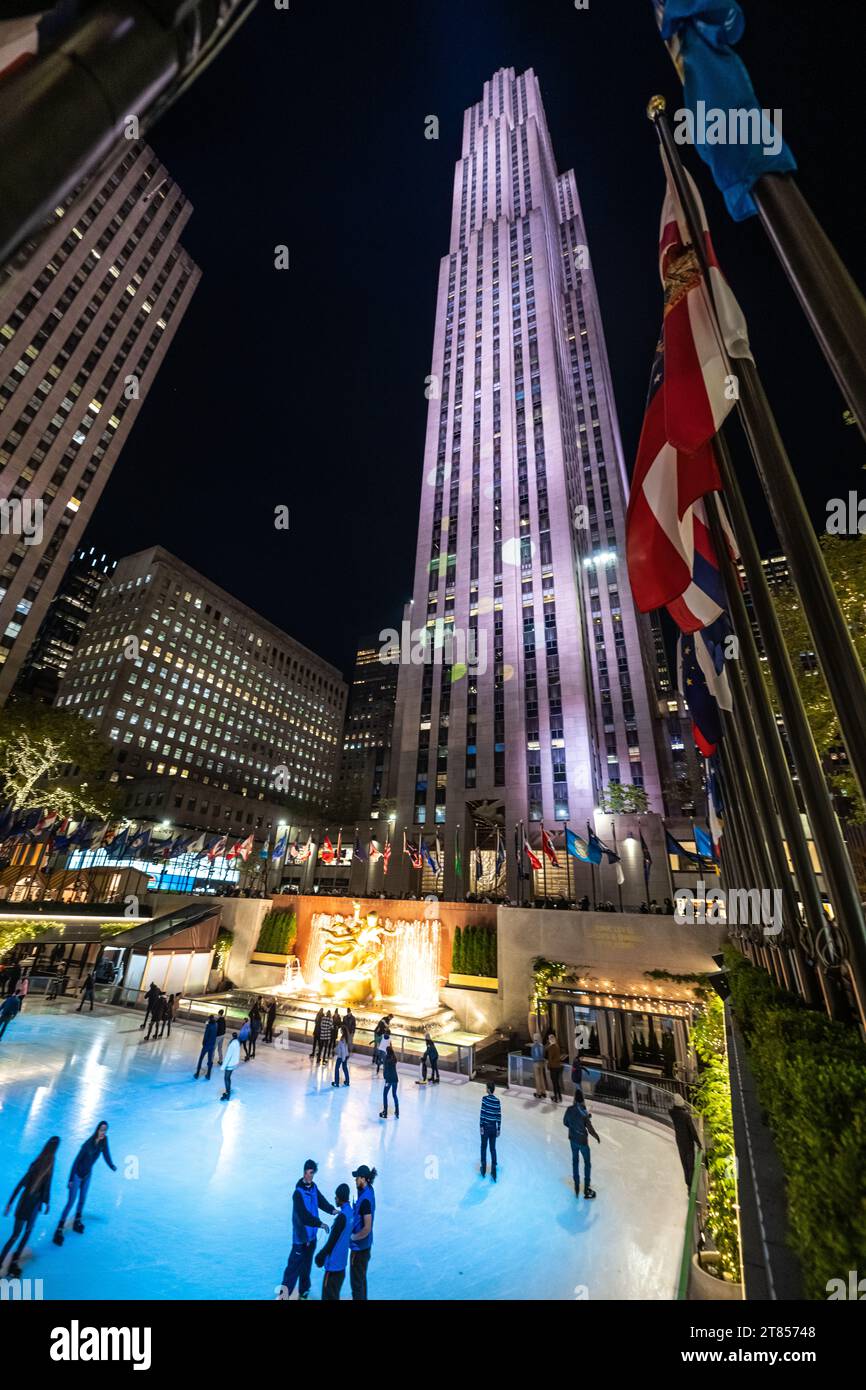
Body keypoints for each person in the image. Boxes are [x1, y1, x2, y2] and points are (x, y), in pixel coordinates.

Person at [1, 1136, 59, 1276]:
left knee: (18, 1234)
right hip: (30, 1205)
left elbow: (24, 1185)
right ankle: (12, 1262)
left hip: (28, 1204)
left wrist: (10, 1202)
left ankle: (5, 1261)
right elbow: (38, 1185)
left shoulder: (42, 1164)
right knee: (23, 1233)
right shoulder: (43, 1164)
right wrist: (46, 1202)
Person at [52, 1121, 116, 1245]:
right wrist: (70, 1179)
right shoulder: (87, 1144)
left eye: (105, 1130)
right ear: (97, 1129)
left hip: (87, 1175)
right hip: (77, 1175)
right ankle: (59, 1229)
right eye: (102, 1129)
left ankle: (77, 1221)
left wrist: (111, 1165)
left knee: (82, 1199)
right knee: (71, 1202)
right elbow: (75, 1162)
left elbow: (106, 1155)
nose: (103, 1132)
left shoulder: (104, 1141)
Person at [280, 1160, 336, 1301]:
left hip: (311, 1238)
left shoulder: (313, 1188)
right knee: (293, 1269)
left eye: (312, 1173)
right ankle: (284, 1296)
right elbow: (304, 1216)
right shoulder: (297, 1193)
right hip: (300, 1239)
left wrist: (332, 1210)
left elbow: (321, 1201)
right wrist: (320, 1224)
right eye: (309, 1173)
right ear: (304, 1172)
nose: (310, 1176)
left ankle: (304, 1292)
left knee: (306, 1267)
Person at [314, 1182, 353, 1300]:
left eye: (336, 1196)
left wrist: (320, 1256)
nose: (335, 1198)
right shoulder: (350, 1213)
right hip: (341, 1267)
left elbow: (332, 1242)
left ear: (340, 1198)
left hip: (333, 1267)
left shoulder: (341, 1218)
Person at [564, 1088, 600, 1199]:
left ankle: (576, 1185)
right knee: (587, 1163)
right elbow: (590, 1129)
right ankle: (586, 1189)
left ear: (574, 1099)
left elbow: (565, 1122)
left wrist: (573, 1127)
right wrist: (596, 1136)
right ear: (582, 1100)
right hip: (583, 1142)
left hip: (573, 1140)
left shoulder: (569, 1109)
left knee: (575, 1161)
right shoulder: (584, 1113)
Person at [349, 1165, 377, 1301]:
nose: (355, 1180)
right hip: (365, 1247)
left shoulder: (365, 1200)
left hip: (359, 1249)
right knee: (361, 1281)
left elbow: (367, 1228)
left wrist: (352, 1237)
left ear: (364, 1179)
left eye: (357, 1178)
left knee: (356, 1285)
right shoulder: (368, 1190)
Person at [671, 1093, 703, 1189]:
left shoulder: (672, 1113)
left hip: (680, 1141)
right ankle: (692, 1184)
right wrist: (698, 1143)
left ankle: (687, 1182)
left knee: (684, 1162)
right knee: (690, 1164)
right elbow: (692, 1131)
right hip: (688, 1143)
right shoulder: (686, 1116)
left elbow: (674, 1110)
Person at [479, 1081, 501, 1180]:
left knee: (484, 1147)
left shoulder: (484, 1099)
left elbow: (482, 1113)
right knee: (493, 1149)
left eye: (486, 1087)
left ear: (488, 1089)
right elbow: (498, 1116)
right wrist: (498, 1128)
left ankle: (483, 1168)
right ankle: (493, 1169)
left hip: (486, 1127)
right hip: (493, 1127)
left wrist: (481, 1126)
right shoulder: (497, 1101)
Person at [379, 1043, 399, 1119]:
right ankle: (397, 1111)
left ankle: (385, 1111)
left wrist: (385, 1078)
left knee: (385, 1094)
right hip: (395, 1079)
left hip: (389, 1080)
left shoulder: (386, 1058)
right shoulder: (394, 1058)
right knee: (394, 1095)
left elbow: (385, 1070)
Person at [220, 1031, 241, 1101]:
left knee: (226, 1078)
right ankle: (228, 1091)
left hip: (230, 1064)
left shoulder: (232, 1044)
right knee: (228, 1078)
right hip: (234, 1063)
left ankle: (227, 1093)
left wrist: (223, 1066)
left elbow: (228, 1056)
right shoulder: (237, 1042)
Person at [546, 1032, 563, 1104]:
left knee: (554, 1083)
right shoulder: (557, 1046)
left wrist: (548, 1066)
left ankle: (556, 1098)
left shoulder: (551, 1047)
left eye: (549, 1039)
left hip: (553, 1067)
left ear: (550, 1040)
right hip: (558, 1067)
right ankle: (559, 1096)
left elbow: (550, 1058)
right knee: (557, 1083)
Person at [530, 1033, 547, 1099]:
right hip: (542, 1063)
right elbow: (543, 1054)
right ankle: (544, 1093)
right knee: (542, 1078)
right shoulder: (542, 1045)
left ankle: (538, 1093)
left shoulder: (534, 1046)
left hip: (536, 1063)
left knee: (537, 1078)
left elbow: (533, 1055)